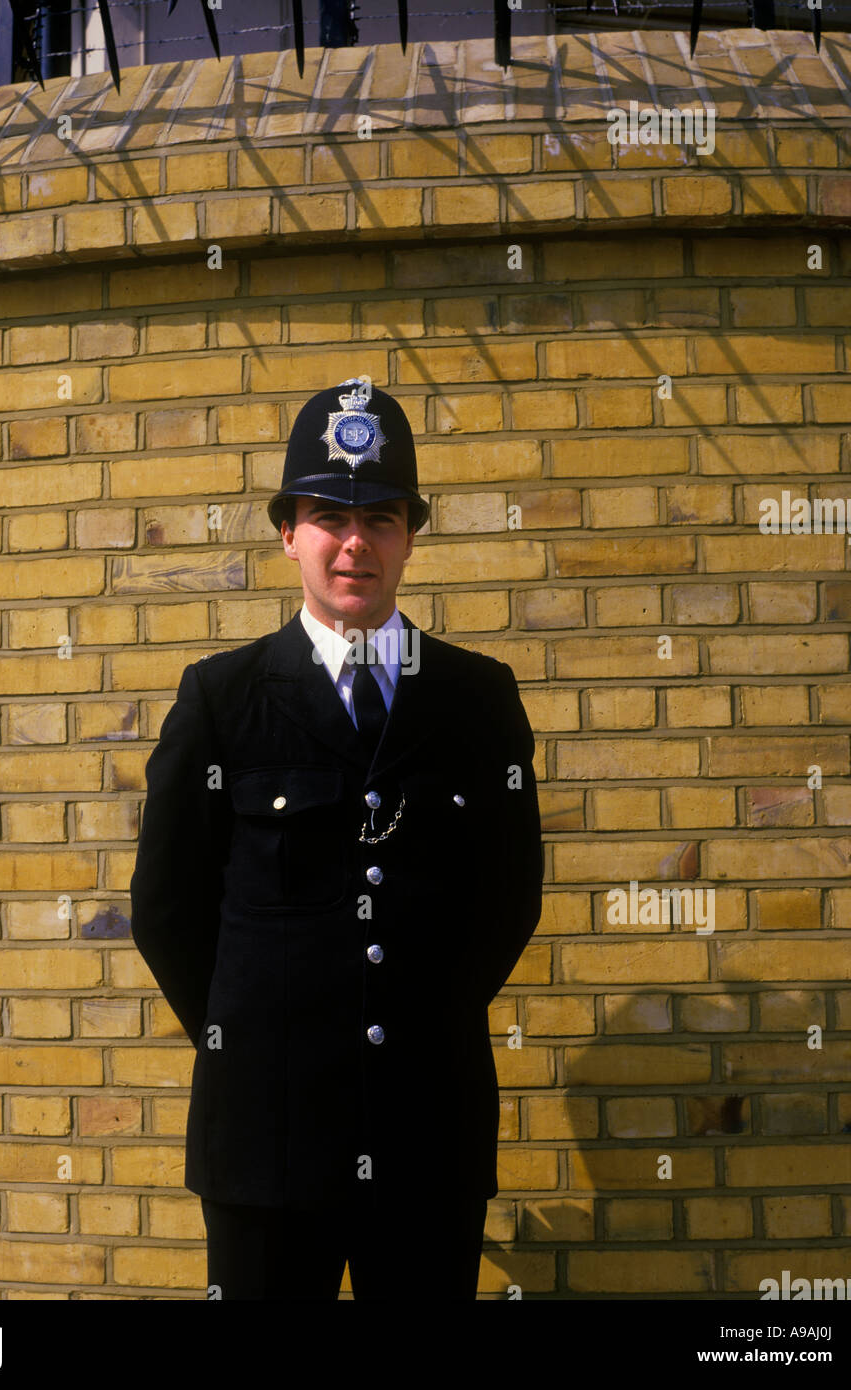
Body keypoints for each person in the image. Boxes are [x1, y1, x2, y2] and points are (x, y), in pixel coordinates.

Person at [129, 375, 544, 1300]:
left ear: (409, 534)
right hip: (266, 1143)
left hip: (426, 1135)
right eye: (327, 514)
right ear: (288, 533)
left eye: (381, 517)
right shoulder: (221, 701)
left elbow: (506, 901)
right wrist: (259, 1040)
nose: (354, 541)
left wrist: (409, 1029)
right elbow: (168, 912)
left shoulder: (477, 700)